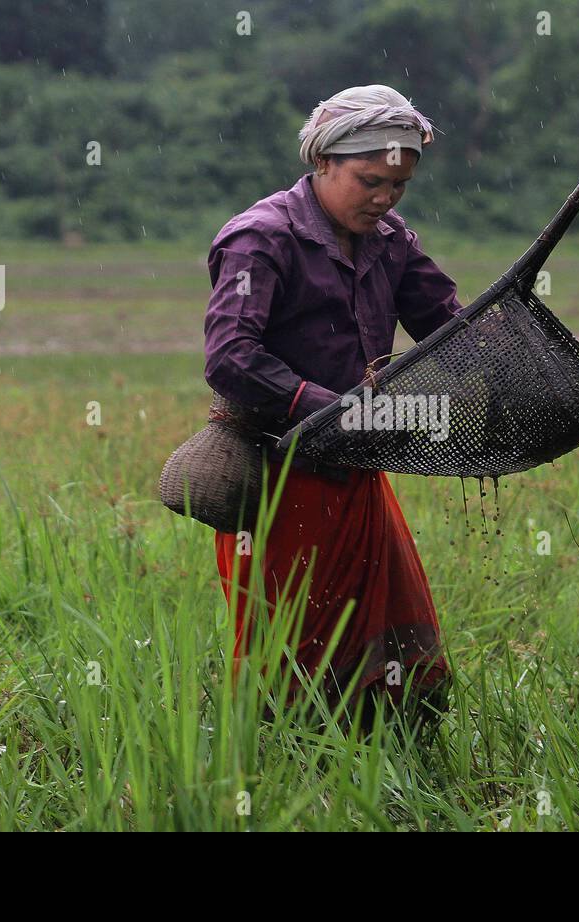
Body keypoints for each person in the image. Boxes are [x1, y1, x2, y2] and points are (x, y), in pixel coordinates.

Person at [203, 84, 461, 732]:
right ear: (323, 163)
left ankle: (387, 758)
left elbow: (444, 323)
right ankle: (291, 769)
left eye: (398, 185)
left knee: (388, 626)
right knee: (293, 642)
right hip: (277, 471)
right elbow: (230, 357)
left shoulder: (390, 239)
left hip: (354, 465)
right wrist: (328, 406)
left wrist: (500, 352)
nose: (384, 198)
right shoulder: (260, 240)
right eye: (370, 181)